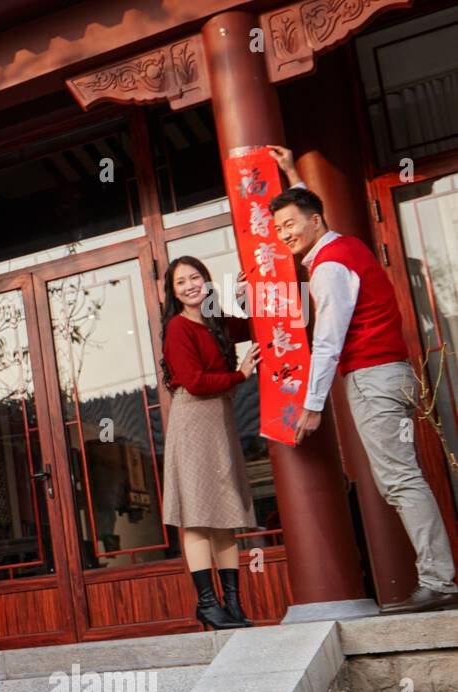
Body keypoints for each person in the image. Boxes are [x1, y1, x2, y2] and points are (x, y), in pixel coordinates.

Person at [269, 145, 458, 614]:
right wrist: (291, 173)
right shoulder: (344, 245)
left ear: (314, 220)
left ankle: (440, 581)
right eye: (277, 229)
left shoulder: (330, 267)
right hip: (389, 374)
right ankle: (440, 577)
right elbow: (308, 205)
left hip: (373, 379)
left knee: (399, 478)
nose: (284, 234)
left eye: (290, 224)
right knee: (402, 475)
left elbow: (328, 341)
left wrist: (312, 407)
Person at [159, 256, 262, 629]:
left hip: (220, 419)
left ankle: (233, 604)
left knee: (224, 517)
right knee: (199, 517)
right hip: (194, 421)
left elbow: (253, 325)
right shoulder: (177, 327)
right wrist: (240, 375)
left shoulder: (215, 321)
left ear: (206, 280)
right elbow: (195, 381)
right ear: (172, 292)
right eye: (180, 282)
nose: (190, 285)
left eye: (195, 277)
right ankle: (207, 603)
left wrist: (244, 295)